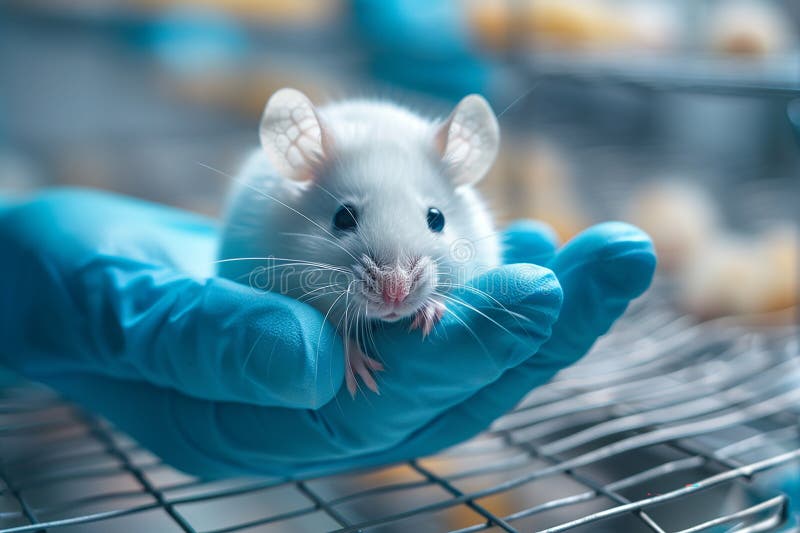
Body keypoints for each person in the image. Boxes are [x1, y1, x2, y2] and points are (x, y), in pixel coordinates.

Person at [0, 188, 655, 477]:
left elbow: (457, 250)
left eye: (433, 217)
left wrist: (440, 295)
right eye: (347, 217)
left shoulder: (460, 221)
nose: (395, 289)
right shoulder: (279, 217)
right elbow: (271, 263)